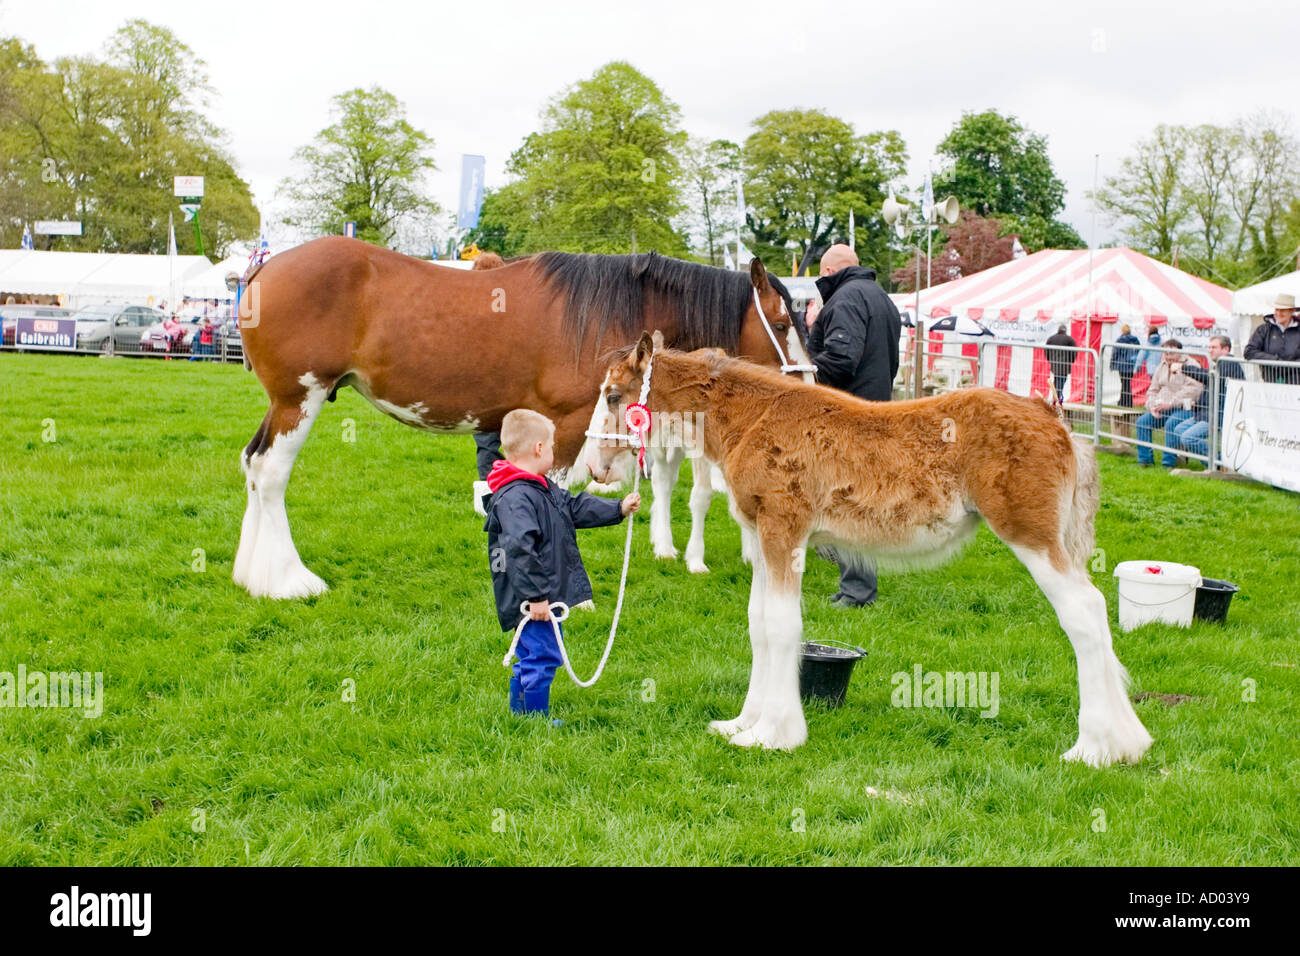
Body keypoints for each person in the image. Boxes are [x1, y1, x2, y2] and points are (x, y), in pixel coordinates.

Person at [483, 409, 640, 718]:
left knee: (530, 654)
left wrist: (617, 509)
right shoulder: (517, 497)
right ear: (538, 448)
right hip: (532, 599)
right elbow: (519, 550)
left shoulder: (538, 486)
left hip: (536, 595)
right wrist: (537, 597)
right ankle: (535, 719)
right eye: (553, 445)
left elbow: (572, 506)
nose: (555, 451)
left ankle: (520, 715)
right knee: (542, 655)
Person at [804, 243, 901, 609]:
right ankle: (847, 570)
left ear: (829, 272)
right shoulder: (881, 297)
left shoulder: (845, 299)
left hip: (850, 417)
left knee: (851, 505)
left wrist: (806, 365)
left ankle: (857, 591)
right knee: (855, 501)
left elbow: (842, 360)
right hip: (876, 410)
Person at [1173, 335, 1244, 463]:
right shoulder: (1220, 363)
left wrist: (1183, 368)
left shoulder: (1229, 363)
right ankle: (1212, 461)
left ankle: (1216, 462)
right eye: (1209, 347)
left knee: (1188, 438)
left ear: (1226, 349)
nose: (1210, 350)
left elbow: (1212, 378)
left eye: (1214, 347)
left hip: (1219, 414)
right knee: (1179, 430)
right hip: (1205, 413)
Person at [1134, 339, 1203, 467]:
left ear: (1180, 352)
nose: (1168, 356)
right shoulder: (1162, 365)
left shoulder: (1191, 365)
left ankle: (1168, 463)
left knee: (1172, 424)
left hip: (1187, 408)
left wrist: (1170, 403)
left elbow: (1192, 391)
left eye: (1171, 353)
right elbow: (1153, 389)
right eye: (1166, 353)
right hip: (1163, 407)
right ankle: (1145, 460)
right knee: (1142, 422)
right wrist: (1152, 405)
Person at [1244, 293, 1300, 385]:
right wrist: (1276, 361)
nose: (1278, 313)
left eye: (1282, 310)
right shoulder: (1264, 329)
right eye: (1277, 309)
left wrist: (1292, 367)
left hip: (1296, 385)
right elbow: (1249, 351)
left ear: (1291, 311)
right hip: (1270, 384)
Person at [1111, 323, 1141, 407]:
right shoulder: (1135, 340)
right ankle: (1124, 401)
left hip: (1122, 365)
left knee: (1124, 383)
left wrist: (1112, 363)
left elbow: (1115, 353)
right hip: (1131, 365)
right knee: (1127, 383)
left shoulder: (1119, 340)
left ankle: (1125, 402)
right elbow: (1139, 351)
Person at [1044, 324, 1077, 402]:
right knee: (1061, 381)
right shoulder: (1070, 339)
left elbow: (1046, 350)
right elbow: (1074, 351)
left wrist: (1050, 359)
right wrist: (1071, 360)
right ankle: (1058, 398)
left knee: (1057, 380)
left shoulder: (1051, 338)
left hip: (1055, 365)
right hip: (1065, 366)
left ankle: (1056, 397)